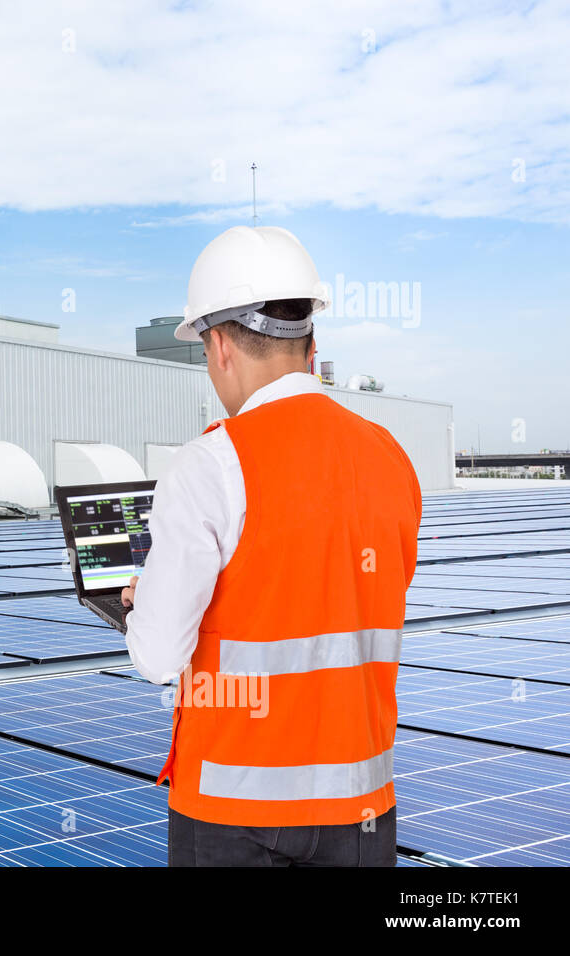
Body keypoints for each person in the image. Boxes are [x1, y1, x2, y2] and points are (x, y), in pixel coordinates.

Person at [120, 225, 422, 867]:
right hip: (363, 810)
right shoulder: (391, 458)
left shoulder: (209, 465)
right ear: (313, 341)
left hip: (236, 817)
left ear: (220, 346)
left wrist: (144, 607)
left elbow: (156, 655)